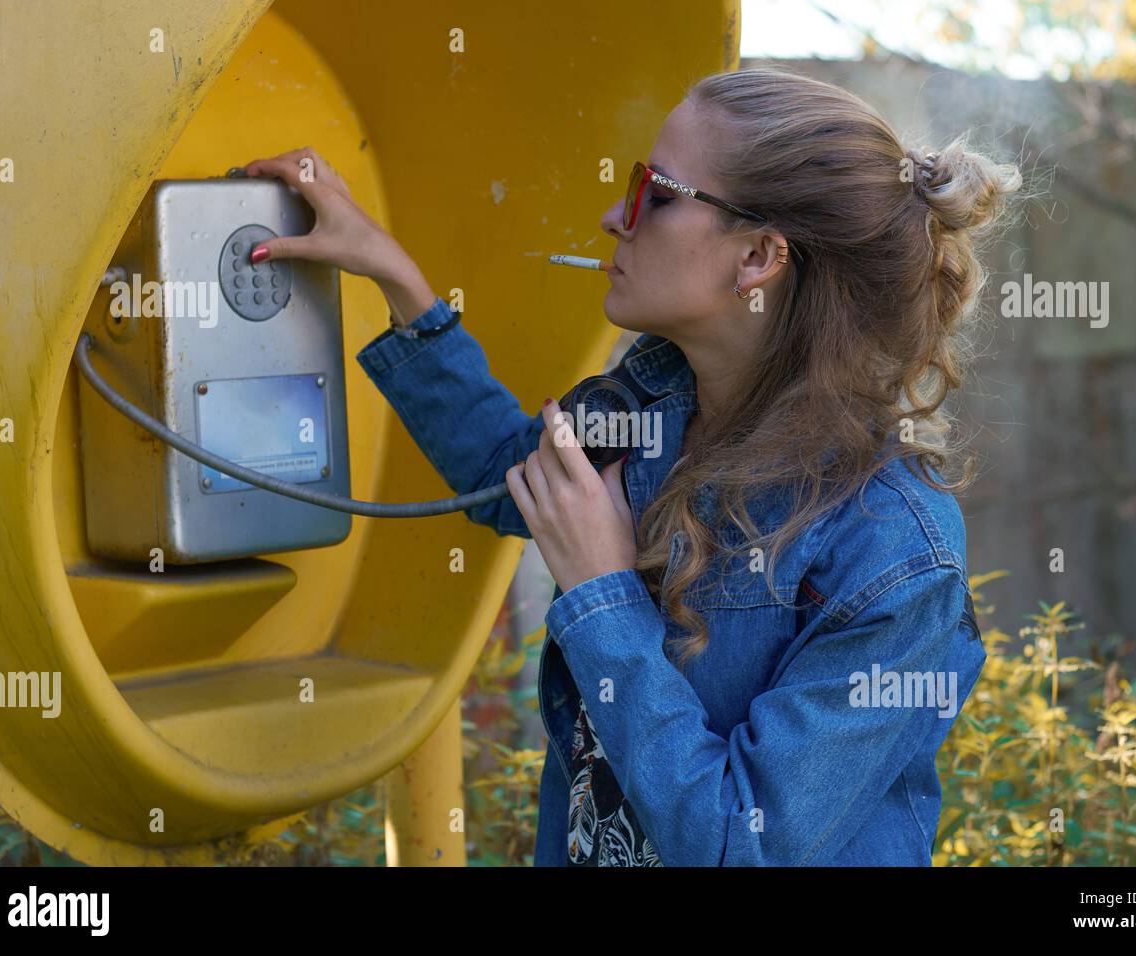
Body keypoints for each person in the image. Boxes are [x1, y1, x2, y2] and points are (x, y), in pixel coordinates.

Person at [242, 66, 1020, 867]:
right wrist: (391, 273)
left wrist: (601, 595)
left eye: (655, 190)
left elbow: (735, 844)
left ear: (756, 258)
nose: (615, 216)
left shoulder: (890, 552)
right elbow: (505, 473)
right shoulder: (651, 404)